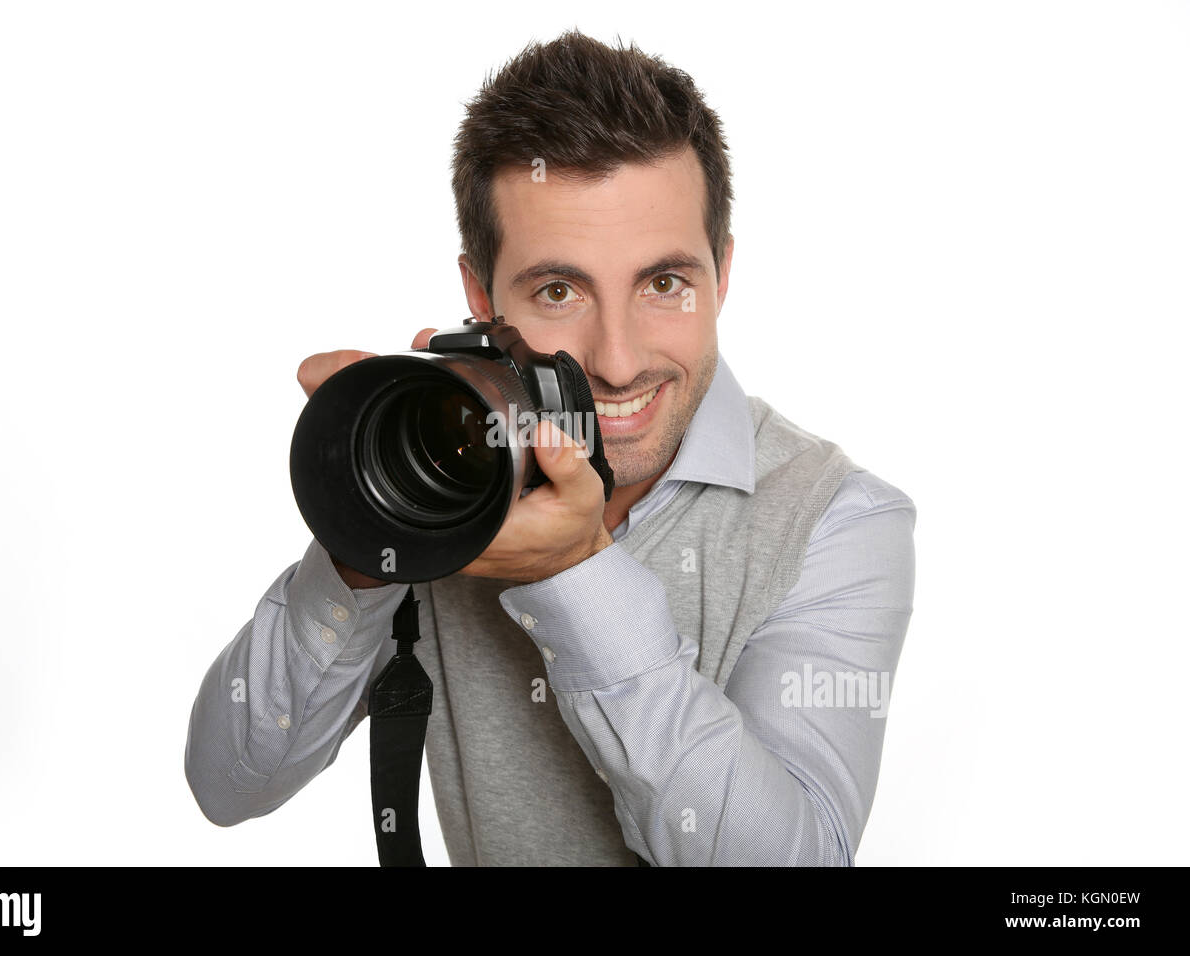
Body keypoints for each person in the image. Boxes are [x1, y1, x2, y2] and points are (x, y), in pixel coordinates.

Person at [184, 29, 917, 866]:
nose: (616, 359)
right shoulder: (450, 467)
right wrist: (367, 524)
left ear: (723, 273)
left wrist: (572, 572)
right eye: (559, 291)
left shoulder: (838, 518)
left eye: (664, 283)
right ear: (478, 295)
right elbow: (229, 785)